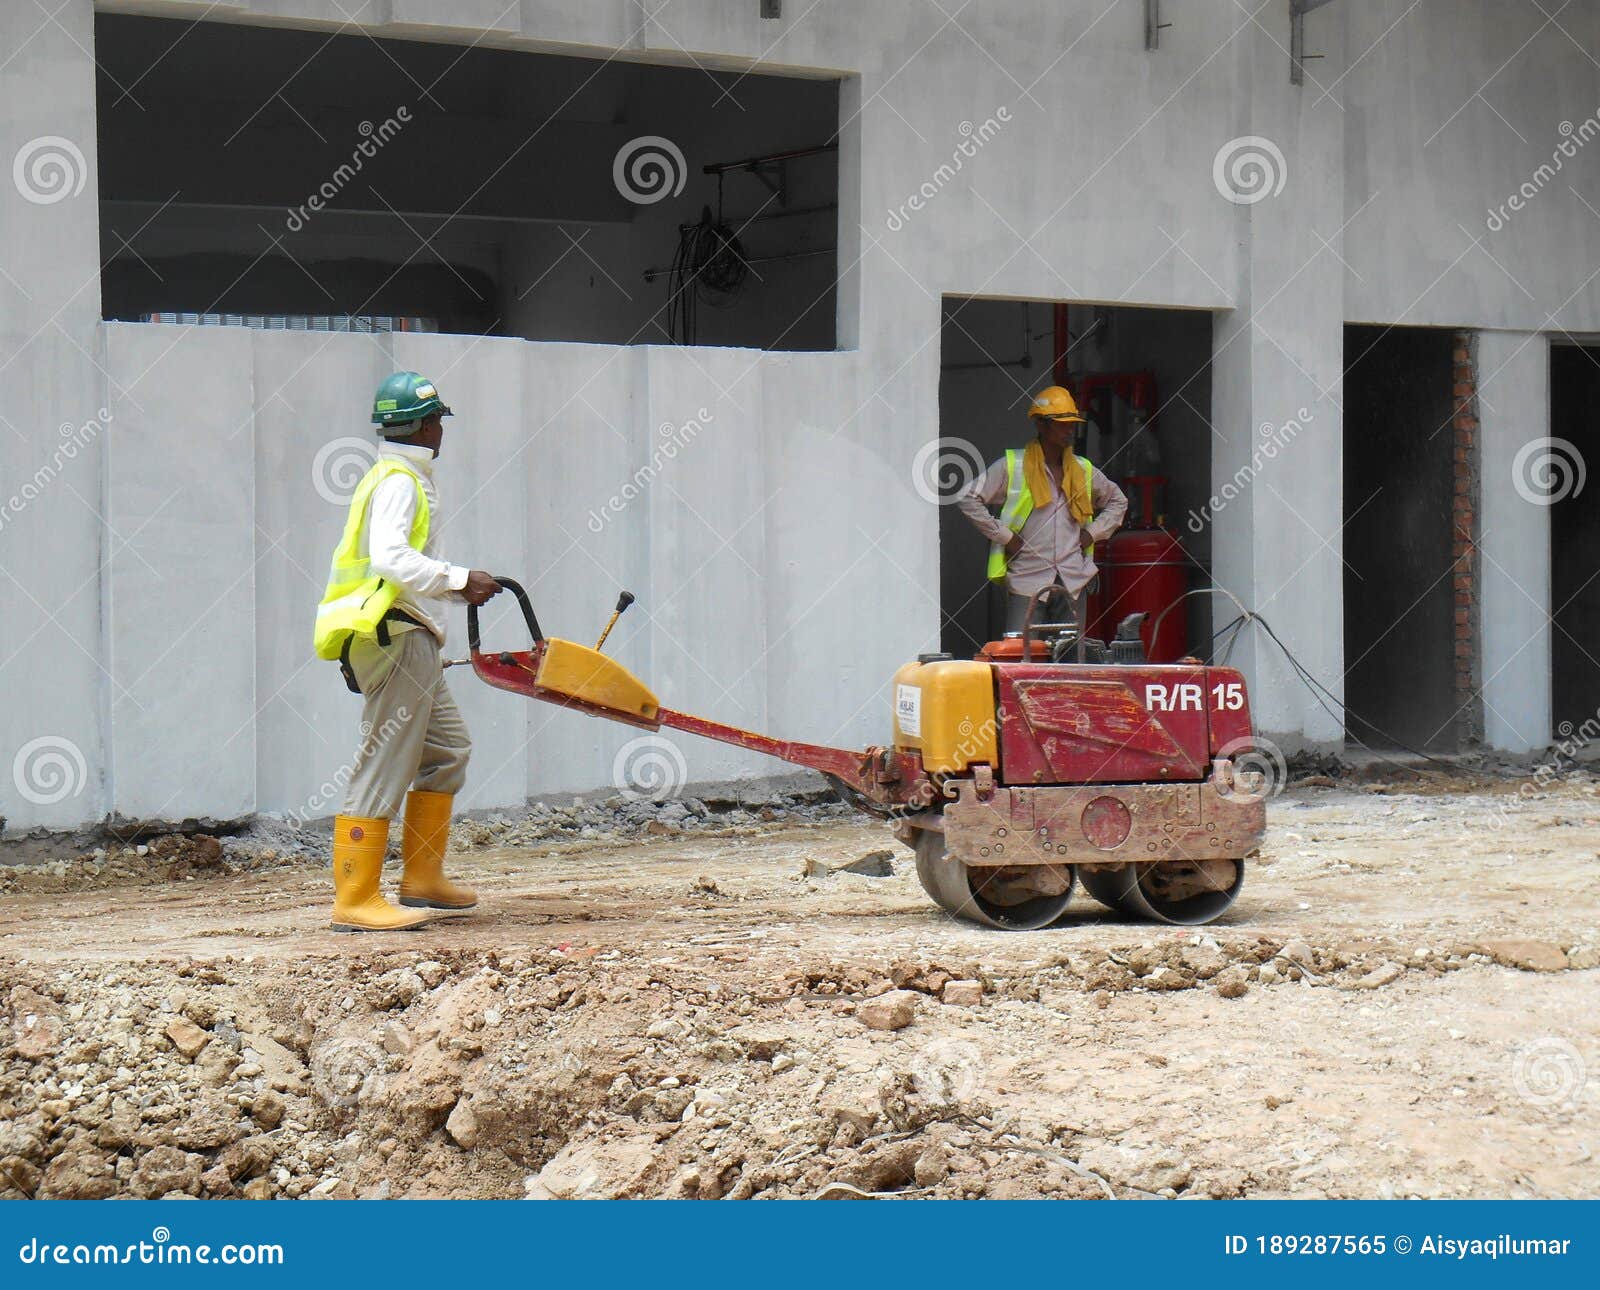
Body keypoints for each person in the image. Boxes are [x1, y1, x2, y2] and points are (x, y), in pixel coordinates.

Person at [312, 371, 503, 932]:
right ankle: (355, 897)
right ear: (420, 426)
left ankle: (421, 879)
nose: (442, 428)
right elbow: (391, 559)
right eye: (438, 419)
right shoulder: (399, 481)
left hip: (411, 635)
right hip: (395, 634)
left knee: (448, 751)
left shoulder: (400, 475)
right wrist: (459, 578)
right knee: (386, 758)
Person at [956, 384, 1128, 636]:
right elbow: (968, 497)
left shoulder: (1083, 470)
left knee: (1070, 662)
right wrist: (1006, 536)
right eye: (1061, 423)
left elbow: (1118, 501)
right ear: (1040, 424)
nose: (1069, 429)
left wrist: (1092, 534)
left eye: (1071, 423)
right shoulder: (1012, 466)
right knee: (1022, 657)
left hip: (1073, 580)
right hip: (1027, 579)